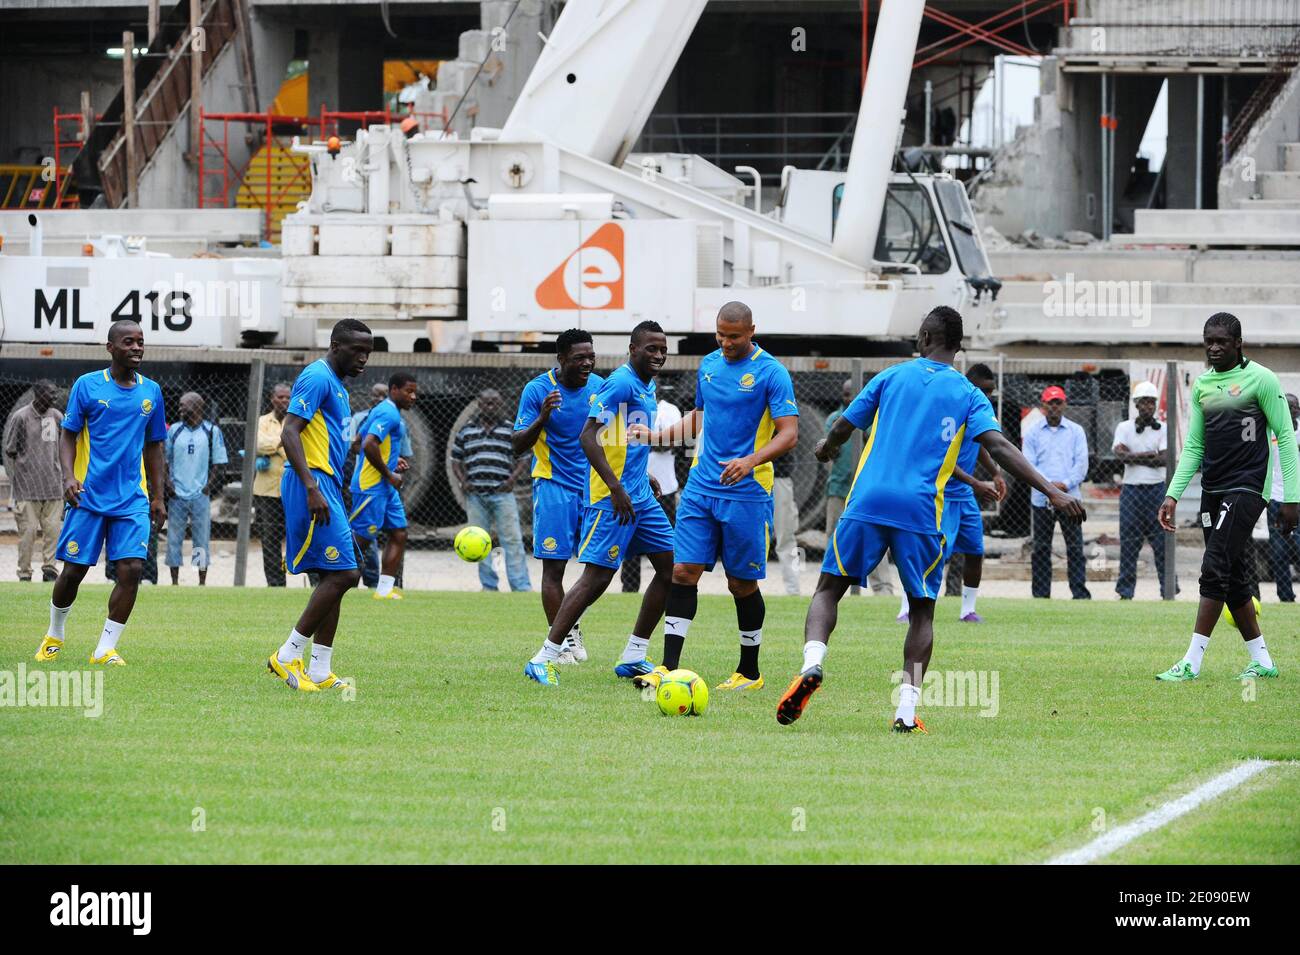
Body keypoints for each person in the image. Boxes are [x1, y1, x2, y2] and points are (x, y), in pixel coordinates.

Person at [774, 307, 1084, 733]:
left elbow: (844, 427)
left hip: (868, 500)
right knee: (922, 611)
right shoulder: (969, 393)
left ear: (923, 338)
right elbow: (999, 447)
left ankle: (812, 663)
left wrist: (827, 447)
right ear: (958, 347)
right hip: (920, 510)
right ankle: (905, 712)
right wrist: (1052, 491)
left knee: (829, 588)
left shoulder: (890, 376)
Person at [632, 302, 799, 693]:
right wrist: (658, 438)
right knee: (682, 572)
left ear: (752, 331)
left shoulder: (771, 372)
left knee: (740, 583)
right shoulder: (708, 364)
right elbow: (699, 416)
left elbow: (789, 433)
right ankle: (667, 667)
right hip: (701, 487)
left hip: (747, 492)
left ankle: (749, 672)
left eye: (734, 336)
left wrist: (750, 461)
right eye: (720, 334)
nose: (726, 342)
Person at [522, 321, 675, 686]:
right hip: (612, 499)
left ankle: (634, 655)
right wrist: (615, 487)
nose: (658, 355)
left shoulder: (646, 385)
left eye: (662, 349)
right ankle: (544, 657)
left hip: (640, 496)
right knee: (596, 578)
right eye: (651, 349)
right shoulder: (620, 383)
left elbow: (619, 439)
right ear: (632, 350)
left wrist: (642, 474)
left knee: (673, 569)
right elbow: (588, 437)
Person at [1157, 314, 1298, 682]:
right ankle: (1262, 660)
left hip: (1248, 487)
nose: (1214, 347)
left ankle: (1192, 662)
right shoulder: (1203, 385)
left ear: (1238, 343)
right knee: (1233, 576)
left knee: (1214, 566)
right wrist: (1173, 494)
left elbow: (1285, 437)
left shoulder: (1262, 379)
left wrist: (1293, 498)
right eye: (1209, 341)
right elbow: (1194, 445)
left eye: (1221, 341)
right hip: (1213, 489)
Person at [34, 320, 167, 667]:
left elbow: (155, 446)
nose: (136, 348)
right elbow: (68, 434)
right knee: (73, 572)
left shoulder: (152, 392)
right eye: (128, 342)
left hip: (132, 499)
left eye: (140, 342)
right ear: (110, 347)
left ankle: (104, 649)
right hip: (88, 496)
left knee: (132, 569)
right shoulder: (87, 385)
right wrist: (68, 477)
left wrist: (158, 496)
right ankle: (55, 634)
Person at [265, 318, 373, 692]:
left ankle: (320, 669)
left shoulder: (338, 386)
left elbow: (323, 436)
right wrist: (312, 488)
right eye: (357, 351)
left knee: (337, 573)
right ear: (335, 346)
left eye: (368, 352)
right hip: (310, 482)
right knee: (346, 574)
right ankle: (287, 654)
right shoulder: (317, 377)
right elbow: (289, 432)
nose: (364, 359)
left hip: (325, 483)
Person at [513, 329, 602, 662]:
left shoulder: (601, 387)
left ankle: (571, 624)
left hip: (593, 487)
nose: (587, 363)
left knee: (598, 568)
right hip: (554, 486)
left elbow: (613, 438)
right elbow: (517, 444)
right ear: (561, 358)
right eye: (579, 357)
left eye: (591, 356)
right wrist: (543, 417)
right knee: (554, 569)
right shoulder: (538, 390)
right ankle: (560, 643)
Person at [897, 363, 1007, 622]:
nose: (987, 396)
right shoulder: (951, 410)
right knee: (929, 554)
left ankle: (968, 610)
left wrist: (995, 472)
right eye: (984, 390)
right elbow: (943, 458)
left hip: (965, 497)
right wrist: (976, 483)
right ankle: (906, 608)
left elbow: (978, 445)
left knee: (975, 551)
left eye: (991, 392)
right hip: (941, 495)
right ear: (970, 386)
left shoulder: (976, 412)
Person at [453, 389, 533, 593]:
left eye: (495, 403)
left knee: (512, 540)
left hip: (503, 494)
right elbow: (456, 459)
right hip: (475, 495)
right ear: (479, 405)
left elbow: (525, 457)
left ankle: (521, 586)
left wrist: (512, 479)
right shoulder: (466, 430)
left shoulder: (510, 430)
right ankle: (488, 586)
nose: (490, 406)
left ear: (501, 405)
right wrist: (463, 481)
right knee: (479, 541)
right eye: (486, 403)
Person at [825, 379, 897, 599]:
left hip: (865, 490)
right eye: (846, 394)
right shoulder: (834, 419)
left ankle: (883, 589)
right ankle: (832, 587)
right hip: (839, 487)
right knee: (835, 537)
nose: (849, 398)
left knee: (873, 537)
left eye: (853, 394)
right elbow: (831, 449)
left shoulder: (873, 418)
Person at [349, 371, 418, 600]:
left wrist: (390, 460)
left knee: (399, 532)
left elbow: (357, 443)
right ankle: (329, 580)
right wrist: (388, 473)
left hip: (384, 489)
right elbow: (368, 444)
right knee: (362, 538)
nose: (413, 396)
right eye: (408, 391)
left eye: (414, 392)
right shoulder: (388, 413)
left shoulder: (384, 411)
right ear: (394, 390)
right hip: (371, 487)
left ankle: (384, 590)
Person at [1023, 384, 1091, 599]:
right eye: (1050, 403)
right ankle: (1041, 595)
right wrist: (1050, 488)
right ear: (1043, 405)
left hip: (1071, 499)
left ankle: (1079, 594)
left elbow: (1081, 464)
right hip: (1041, 498)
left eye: (1058, 402)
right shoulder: (1032, 431)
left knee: (1075, 548)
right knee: (1041, 548)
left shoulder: (1076, 431)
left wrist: (1064, 485)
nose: (1054, 407)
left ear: (1064, 404)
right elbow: (1028, 465)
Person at [1113, 380, 1174, 599]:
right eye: (1144, 402)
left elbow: (1164, 459)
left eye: (1151, 402)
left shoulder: (1164, 428)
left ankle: (1168, 590)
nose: (1148, 406)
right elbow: (1119, 455)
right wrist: (1148, 455)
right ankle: (1125, 592)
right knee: (1129, 542)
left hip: (1156, 490)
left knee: (1161, 542)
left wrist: (1133, 457)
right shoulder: (1124, 427)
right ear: (1136, 404)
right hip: (1131, 491)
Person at [164, 392, 228, 586]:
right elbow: (164, 460)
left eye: (184, 405)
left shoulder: (211, 431)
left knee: (201, 540)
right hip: (177, 494)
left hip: (200, 494)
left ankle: (201, 583)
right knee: (174, 539)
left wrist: (208, 487)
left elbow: (219, 463)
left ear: (197, 406)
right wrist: (169, 484)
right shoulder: (174, 431)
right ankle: (174, 582)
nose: (180, 408)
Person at [621, 391, 682, 595]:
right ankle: (629, 589)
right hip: (634, 487)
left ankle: (671, 587)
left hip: (665, 486)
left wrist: (648, 438)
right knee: (630, 541)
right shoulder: (629, 408)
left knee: (666, 544)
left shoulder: (669, 410)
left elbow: (674, 442)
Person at [4, 380, 63, 583]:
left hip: (53, 486)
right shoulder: (21, 417)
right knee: (27, 532)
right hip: (27, 488)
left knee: (53, 531)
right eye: (51, 393)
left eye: (55, 393)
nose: (55, 396)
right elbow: (11, 449)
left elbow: (64, 446)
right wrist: (24, 469)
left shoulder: (57, 416)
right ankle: (24, 573)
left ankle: (50, 569)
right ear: (39, 394)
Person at [254, 382, 292, 586]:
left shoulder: (297, 421)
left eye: (287, 397)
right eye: (280, 397)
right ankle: (276, 584)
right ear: (272, 399)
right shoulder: (261, 421)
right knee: (269, 540)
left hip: (292, 490)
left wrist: (274, 445)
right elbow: (258, 444)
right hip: (266, 491)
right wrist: (284, 442)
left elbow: (300, 449)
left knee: (301, 535)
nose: (284, 401)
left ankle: (314, 582)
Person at [1266, 393, 1300, 601]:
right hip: (1275, 499)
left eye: (1295, 406)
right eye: (1288, 406)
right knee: (1279, 551)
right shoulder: (1271, 431)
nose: (1292, 410)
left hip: (1298, 499)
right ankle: (1285, 597)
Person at [772, 445, 802, 596]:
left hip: (779, 477)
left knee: (786, 537)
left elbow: (789, 439)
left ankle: (793, 591)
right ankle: (744, 589)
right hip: (748, 477)